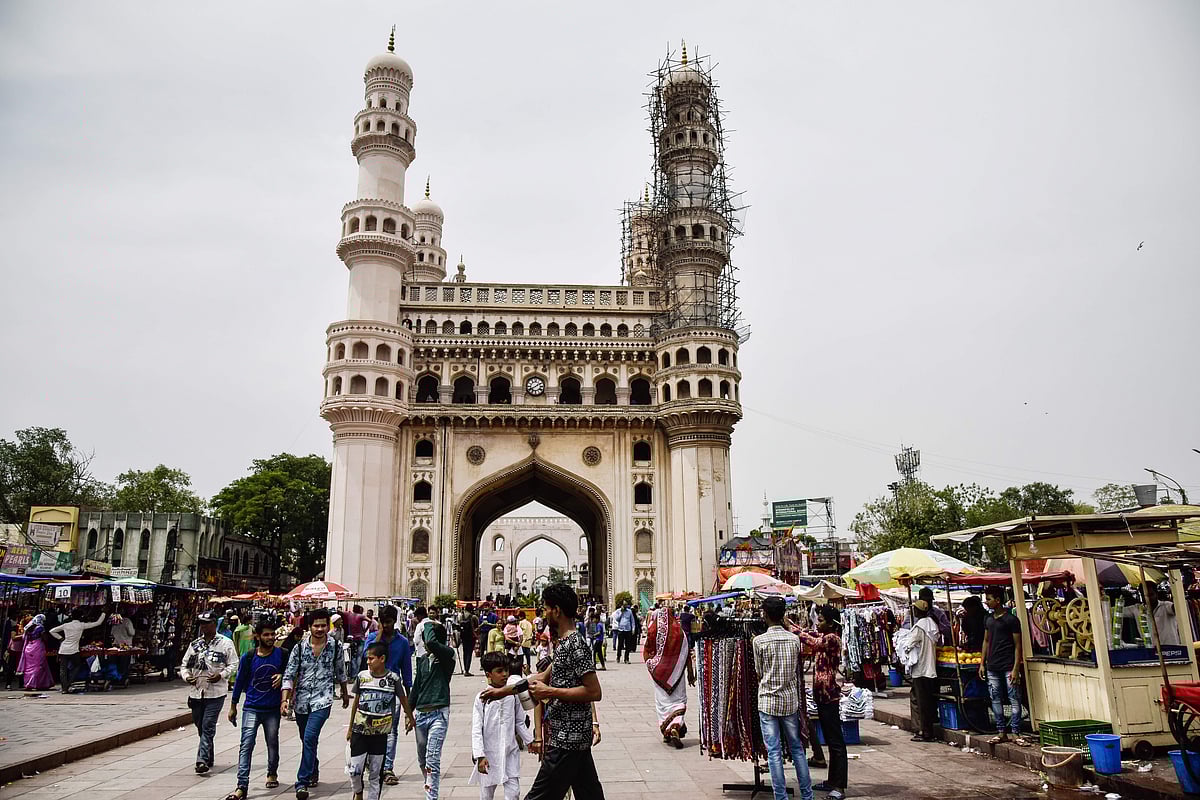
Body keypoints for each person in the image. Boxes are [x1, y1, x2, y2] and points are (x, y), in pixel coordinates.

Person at [480, 583, 604, 800]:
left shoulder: (576, 645)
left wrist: (552, 691)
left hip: (567, 739)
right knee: (589, 794)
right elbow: (540, 677)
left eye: (546, 608)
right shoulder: (564, 644)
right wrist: (504, 691)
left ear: (557, 610)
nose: (544, 614)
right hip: (572, 738)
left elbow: (594, 691)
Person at [282, 608, 350, 800]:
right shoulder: (299, 648)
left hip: (323, 698)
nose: (320, 629)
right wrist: (285, 699)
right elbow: (289, 673)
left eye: (323, 625)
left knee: (310, 737)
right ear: (310, 627)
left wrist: (344, 693)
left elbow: (340, 671)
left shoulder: (334, 645)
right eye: (316, 625)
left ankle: (301, 782)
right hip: (301, 701)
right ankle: (313, 767)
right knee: (306, 739)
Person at [752, 597, 813, 800]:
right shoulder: (794, 639)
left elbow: (759, 672)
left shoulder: (759, 641)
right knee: (797, 750)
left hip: (768, 701)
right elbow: (796, 669)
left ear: (765, 615)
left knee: (774, 753)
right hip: (789, 701)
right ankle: (807, 795)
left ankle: (781, 797)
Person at [347, 641, 415, 800]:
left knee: (376, 774)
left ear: (382, 658)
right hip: (360, 732)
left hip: (380, 734)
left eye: (371, 658)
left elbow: (403, 699)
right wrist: (350, 728)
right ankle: (358, 792)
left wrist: (410, 718)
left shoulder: (393, 679)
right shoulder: (362, 677)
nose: (368, 662)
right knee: (355, 770)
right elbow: (355, 703)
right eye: (367, 659)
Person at [226, 619, 285, 799]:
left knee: (272, 742)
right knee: (246, 745)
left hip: (272, 708)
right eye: (266, 634)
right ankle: (242, 786)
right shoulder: (249, 657)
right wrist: (233, 706)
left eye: (272, 634)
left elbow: (291, 674)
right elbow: (240, 682)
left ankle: (272, 772)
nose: (270, 637)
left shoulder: (282, 654)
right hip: (251, 707)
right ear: (258, 636)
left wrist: (283, 677)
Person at [360, 604, 414, 786]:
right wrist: (380, 635)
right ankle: (372, 762)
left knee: (391, 731)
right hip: (372, 689)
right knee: (370, 728)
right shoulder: (374, 638)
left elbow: (407, 671)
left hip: (393, 690)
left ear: (395, 621)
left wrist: (409, 700)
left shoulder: (403, 642)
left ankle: (387, 767)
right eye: (384, 623)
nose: (387, 626)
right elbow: (365, 656)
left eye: (390, 622)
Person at [797, 605, 847, 800]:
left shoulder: (831, 639)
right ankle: (831, 781)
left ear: (831, 623)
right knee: (830, 740)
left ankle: (840, 786)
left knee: (836, 743)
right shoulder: (825, 636)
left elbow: (813, 642)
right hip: (822, 695)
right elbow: (811, 636)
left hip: (829, 696)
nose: (818, 623)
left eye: (822, 620)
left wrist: (793, 629)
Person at [181, 610, 238, 774]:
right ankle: (208, 755)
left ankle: (201, 760)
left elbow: (234, 664)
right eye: (202, 624)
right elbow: (184, 665)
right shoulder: (195, 645)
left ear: (215, 624)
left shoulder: (225, 643)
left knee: (208, 726)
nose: (204, 627)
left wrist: (221, 675)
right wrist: (187, 677)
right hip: (196, 693)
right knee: (200, 726)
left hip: (216, 693)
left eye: (207, 623)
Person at [471, 651, 534, 800]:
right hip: (489, 753)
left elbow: (519, 721)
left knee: (513, 793)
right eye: (499, 671)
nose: (504, 674)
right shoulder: (481, 698)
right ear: (488, 674)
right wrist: (480, 755)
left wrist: (530, 740)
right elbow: (476, 729)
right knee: (486, 795)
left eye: (506, 670)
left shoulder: (513, 695)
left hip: (510, 750)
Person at [409, 620, 456, 800]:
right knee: (422, 756)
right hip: (421, 713)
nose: (423, 644)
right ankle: (428, 783)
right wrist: (409, 713)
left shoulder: (447, 656)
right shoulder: (422, 661)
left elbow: (433, 644)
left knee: (433, 756)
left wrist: (427, 623)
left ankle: (431, 796)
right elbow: (416, 687)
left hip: (439, 712)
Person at [979, 587, 1028, 746]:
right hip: (992, 666)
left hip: (1008, 666)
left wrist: (1015, 668)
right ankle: (1001, 732)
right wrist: (982, 663)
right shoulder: (988, 619)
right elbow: (986, 641)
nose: (986, 602)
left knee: (1014, 699)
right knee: (995, 699)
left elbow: (1018, 645)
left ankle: (1016, 732)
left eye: (989, 599)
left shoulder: (1011, 620)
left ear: (998, 600)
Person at [643, 604, 694, 748]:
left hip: (659, 675)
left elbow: (647, 651)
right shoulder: (680, 633)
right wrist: (690, 673)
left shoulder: (653, 630)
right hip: (677, 675)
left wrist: (652, 665)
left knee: (663, 703)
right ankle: (674, 728)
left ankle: (668, 730)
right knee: (678, 701)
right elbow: (686, 654)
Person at [906, 599, 941, 743]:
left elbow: (909, 644)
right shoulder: (932, 624)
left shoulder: (920, 626)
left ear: (918, 611)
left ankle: (924, 731)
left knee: (921, 702)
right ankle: (927, 730)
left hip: (921, 669)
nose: (913, 611)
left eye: (914, 609)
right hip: (930, 668)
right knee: (927, 701)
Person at [49, 608, 107, 693]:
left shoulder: (66, 625)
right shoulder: (81, 625)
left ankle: (64, 688)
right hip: (73, 650)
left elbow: (52, 631)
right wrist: (104, 613)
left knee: (63, 670)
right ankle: (68, 683)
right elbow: (98, 623)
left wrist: (60, 638)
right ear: (81, 617)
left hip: (63, 649)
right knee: (77, 666)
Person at [16, 613, 54, 690]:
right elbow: (45, 638)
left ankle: (28, 683)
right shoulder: (40, 628)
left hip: (28, 648)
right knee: (38, 666)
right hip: (37, 647)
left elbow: (23, 638)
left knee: (28, 667)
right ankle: (36, 683)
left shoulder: (27, 628)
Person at [4, 610, 24, 690]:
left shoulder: (24, 629)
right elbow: (13, 637)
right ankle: (8, 684)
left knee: (20, 668)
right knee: (11, 667)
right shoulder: (14, 628)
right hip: (13, 650)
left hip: (21, 650)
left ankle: (21, 683)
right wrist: (22, 636)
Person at [458, 609, 478, 677]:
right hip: (471, 637)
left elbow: (459, 625)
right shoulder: (473, 617)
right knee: (469, 653)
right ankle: (467, 670)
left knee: (465, 653)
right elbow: (477, 626)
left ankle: (465, 669)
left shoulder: (461, 616)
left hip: (463, 637)